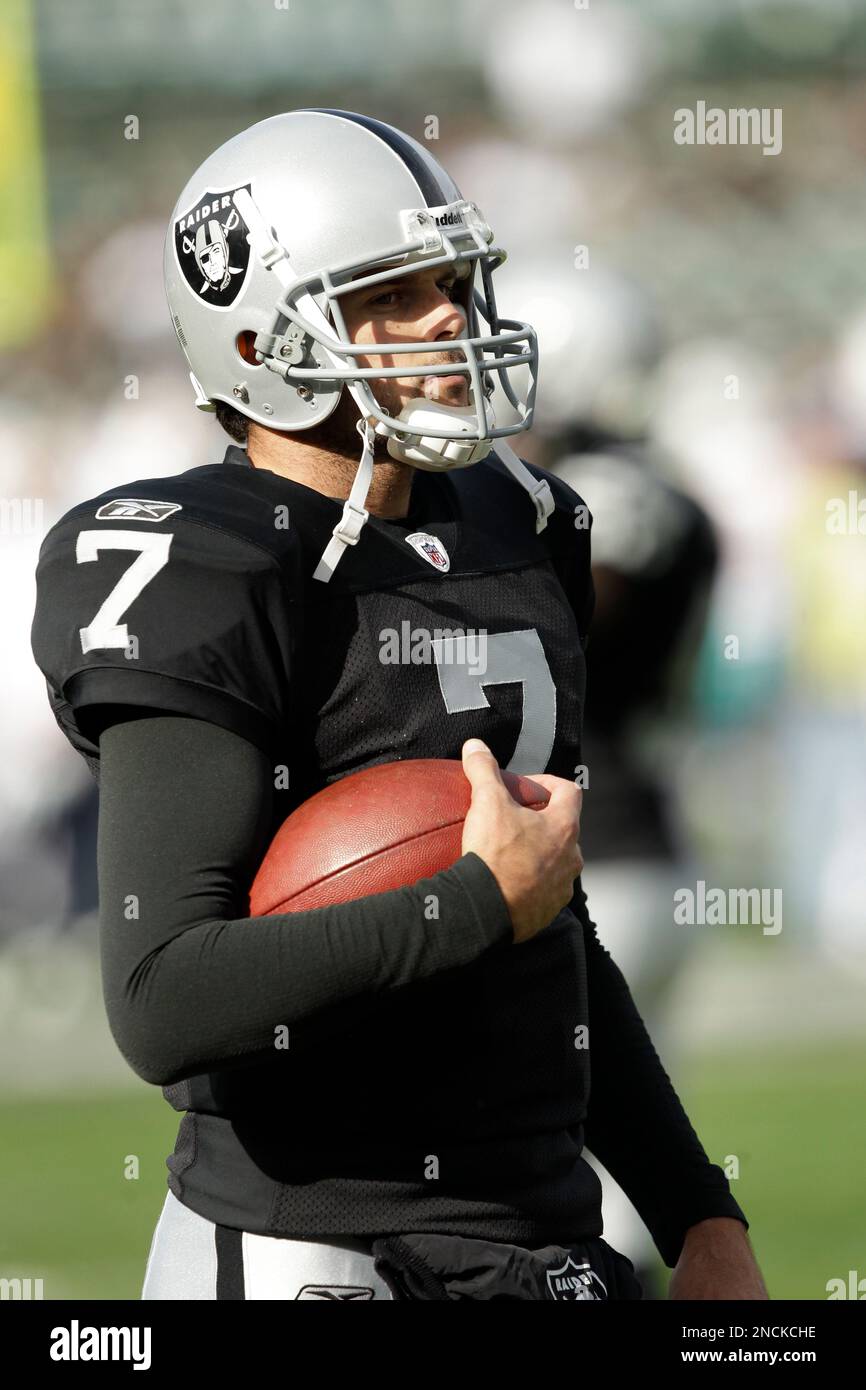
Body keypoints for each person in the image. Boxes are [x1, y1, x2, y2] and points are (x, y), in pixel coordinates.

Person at [31, 109, 764, 1301]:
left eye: (452, 281)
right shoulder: (206, 570)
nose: (447, 318)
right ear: (261, 339)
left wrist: (694, 1212)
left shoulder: (518, 522)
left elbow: (552, 912)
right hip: (310, 1250)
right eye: (391, 293)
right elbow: (164, 997)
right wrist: (468, 901)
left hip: (536, 1238)